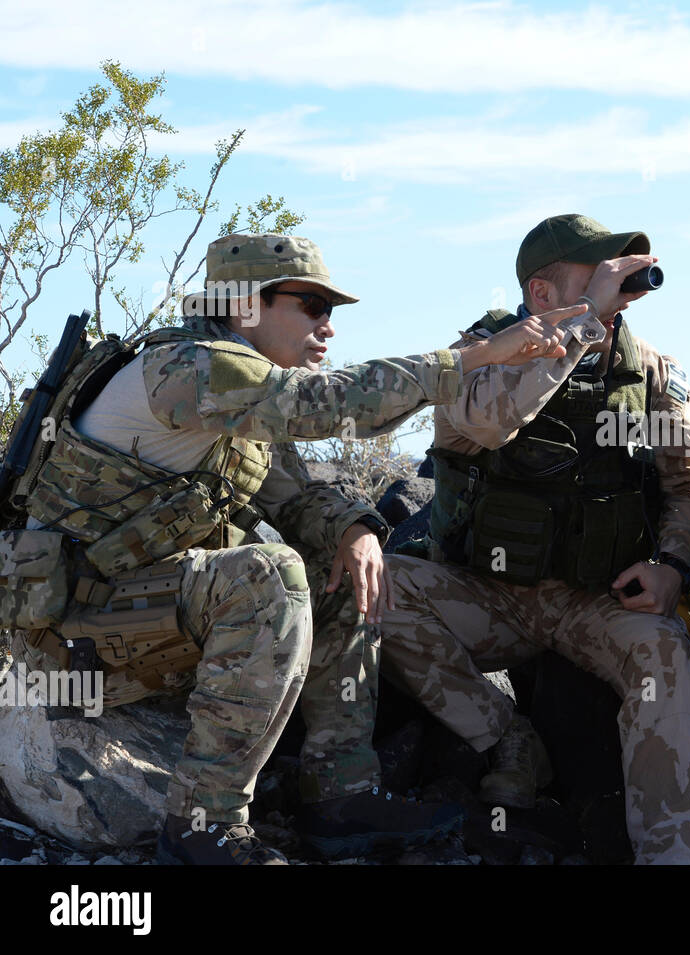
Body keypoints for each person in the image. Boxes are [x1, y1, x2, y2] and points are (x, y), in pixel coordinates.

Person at [7, 233, 577, 864]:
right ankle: (204, 827)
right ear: (246, 305)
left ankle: (341, 796)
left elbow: (294, 498)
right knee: (269, 575)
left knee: (339, 575)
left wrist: (355, 531)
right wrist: (471, 359)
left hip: (142, 620)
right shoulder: (185, 370)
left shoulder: (242, 397)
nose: (327, 326)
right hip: (73, 647)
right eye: (310, 305)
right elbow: (332, 403)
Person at [380, 214, 690, 864]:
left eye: (623, 276)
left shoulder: (649, 372)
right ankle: (507, 736)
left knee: (664, 655)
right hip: (491, 591)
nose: (620, 289)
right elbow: (488, 421)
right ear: (540, 293)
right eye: (599, 275)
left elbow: (689, 489)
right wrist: (582, 323)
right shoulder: (481, 352)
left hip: (596, 599)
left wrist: (674, 564)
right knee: (378, 586)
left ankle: (673, 853)